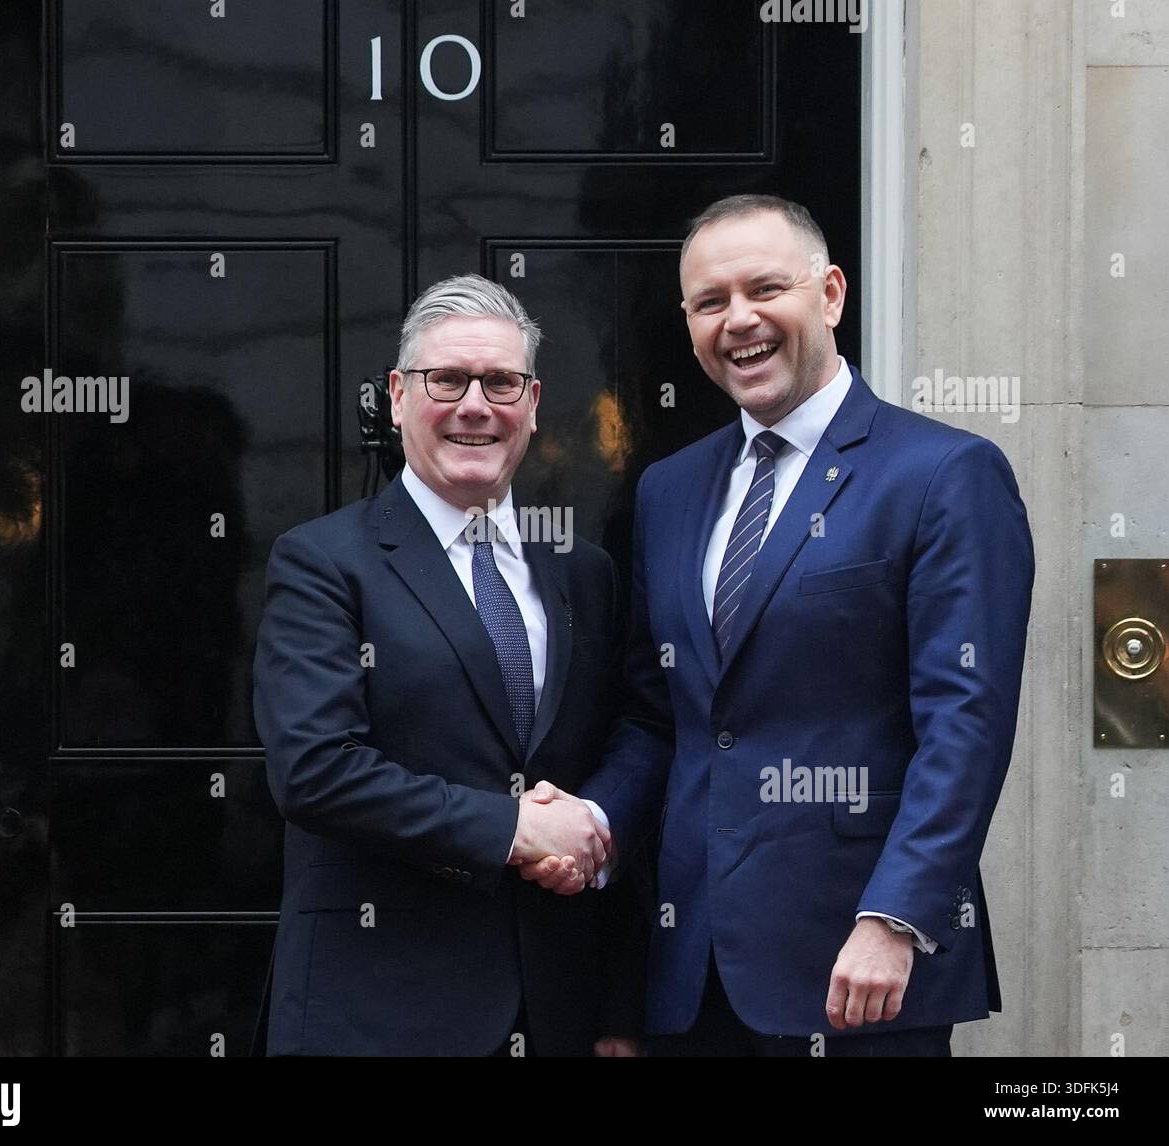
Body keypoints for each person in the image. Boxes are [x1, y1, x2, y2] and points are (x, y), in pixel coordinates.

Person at [522, 195, 1034, 1056]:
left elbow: (966, 724)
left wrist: (898, 917)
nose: (740, 320)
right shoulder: (670, 489)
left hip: (858, 967)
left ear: (830, 294)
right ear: (688, 325)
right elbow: (661, 716)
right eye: (710, 302)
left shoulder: (947, 473)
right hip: (692, 974)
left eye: (766, 288)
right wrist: (594, 824)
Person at [252, 274, 644, 1056]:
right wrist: (515, 830)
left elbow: (622, 742)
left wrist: (617, 1006)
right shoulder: (324, 562)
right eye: (448, 380)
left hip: (556, 1010)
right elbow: (315, 769)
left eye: (501, 381)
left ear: (532, 405)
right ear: (399, 396)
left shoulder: (583, 570)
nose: (475, 405)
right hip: (375, 1012)